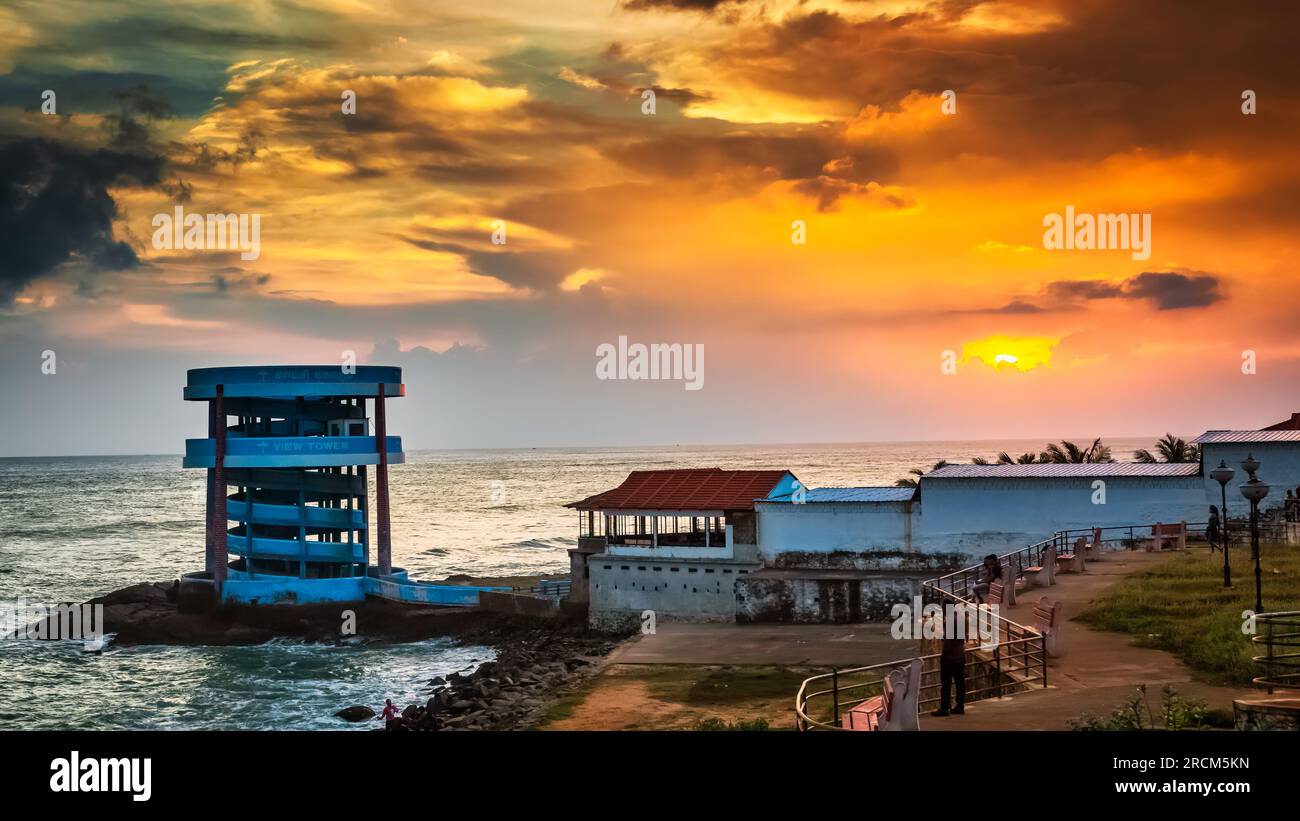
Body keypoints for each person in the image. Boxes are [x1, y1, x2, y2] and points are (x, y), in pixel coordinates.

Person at [931, 631, 966, 717]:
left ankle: (945, 708)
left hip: (949, 659)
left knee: (946, 685)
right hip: (960, 657)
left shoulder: (950, 623)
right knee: (960, 684)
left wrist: (944, 654)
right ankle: (960, 706)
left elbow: (948, 643)